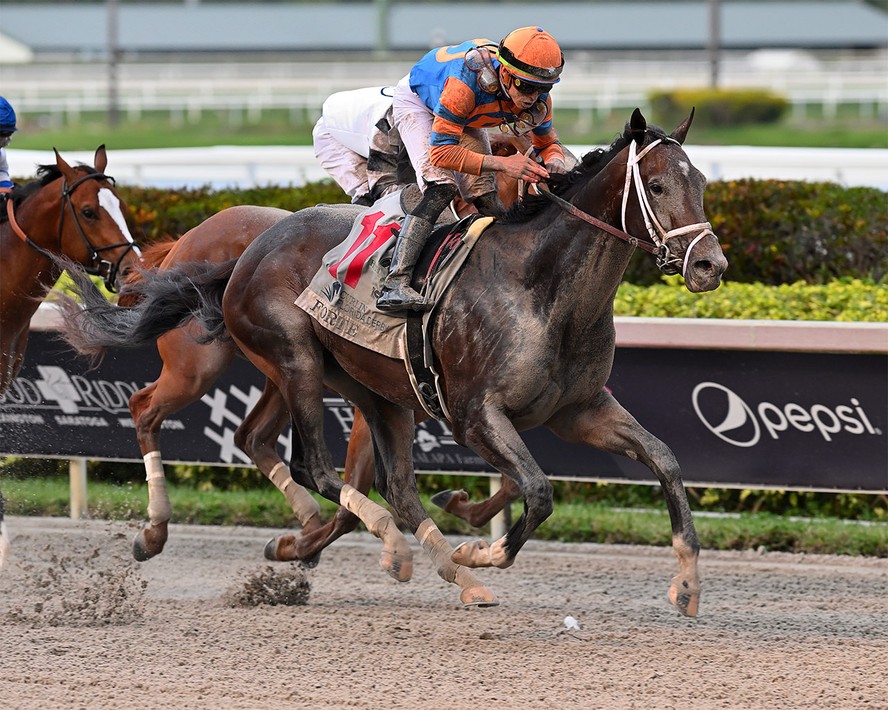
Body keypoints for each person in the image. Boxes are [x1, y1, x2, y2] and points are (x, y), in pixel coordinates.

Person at [376, 26, 569, 312]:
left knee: (486, 194)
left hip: (466, 115)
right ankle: (395, 282)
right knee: (442, 188)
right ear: (504, 73)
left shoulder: (538, 98)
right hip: (421, 103)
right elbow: (442, 153)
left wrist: (555, 163)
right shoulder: (464, 85)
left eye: (544, 88)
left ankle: (507, 269)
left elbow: (548, 144)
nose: (533, 98)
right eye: (526, 87)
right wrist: (505, 163)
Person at [312, 86, 406, 206]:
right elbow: (382, 185)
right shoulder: (387, 127)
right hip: (332, 135)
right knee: (376, 195)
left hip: (371, 123)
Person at [0, 96, 17, 196]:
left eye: (8, 134)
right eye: (1, 134)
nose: (5, 140)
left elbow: (2, 175)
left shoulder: (1, 154)